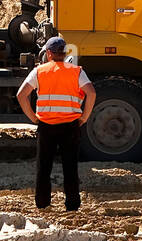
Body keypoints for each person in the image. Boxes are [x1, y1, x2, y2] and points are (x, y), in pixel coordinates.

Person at [16, 36, 96, 211]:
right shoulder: (76, 71)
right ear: (65, 53)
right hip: (70, 126)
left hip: (46, 126)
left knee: (44, 167)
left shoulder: (39, 71)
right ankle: (72, 205)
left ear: (49, 53)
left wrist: (32, 117)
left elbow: (21, 95)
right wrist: (84, 117)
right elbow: (91, 93)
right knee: (70, 167)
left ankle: (43, 204)